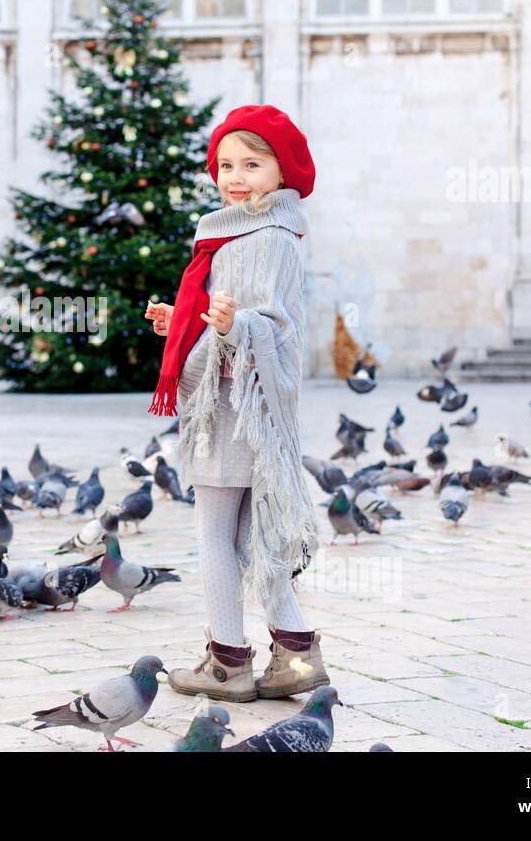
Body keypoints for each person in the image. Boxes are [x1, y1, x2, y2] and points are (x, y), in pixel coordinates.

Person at [143, 104, 327, 703]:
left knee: (215, 535)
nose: (236, 176)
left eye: (252, 163)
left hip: (231, 406)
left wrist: (233, 324)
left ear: (282, 172)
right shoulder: (244, 229)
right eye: (226, 164)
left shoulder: (260, 234)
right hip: (250, 404)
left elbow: (271, 322)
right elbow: (231, 315)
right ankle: (297, 658)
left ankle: (228, 664)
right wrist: (185, 323)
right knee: (253, 540)